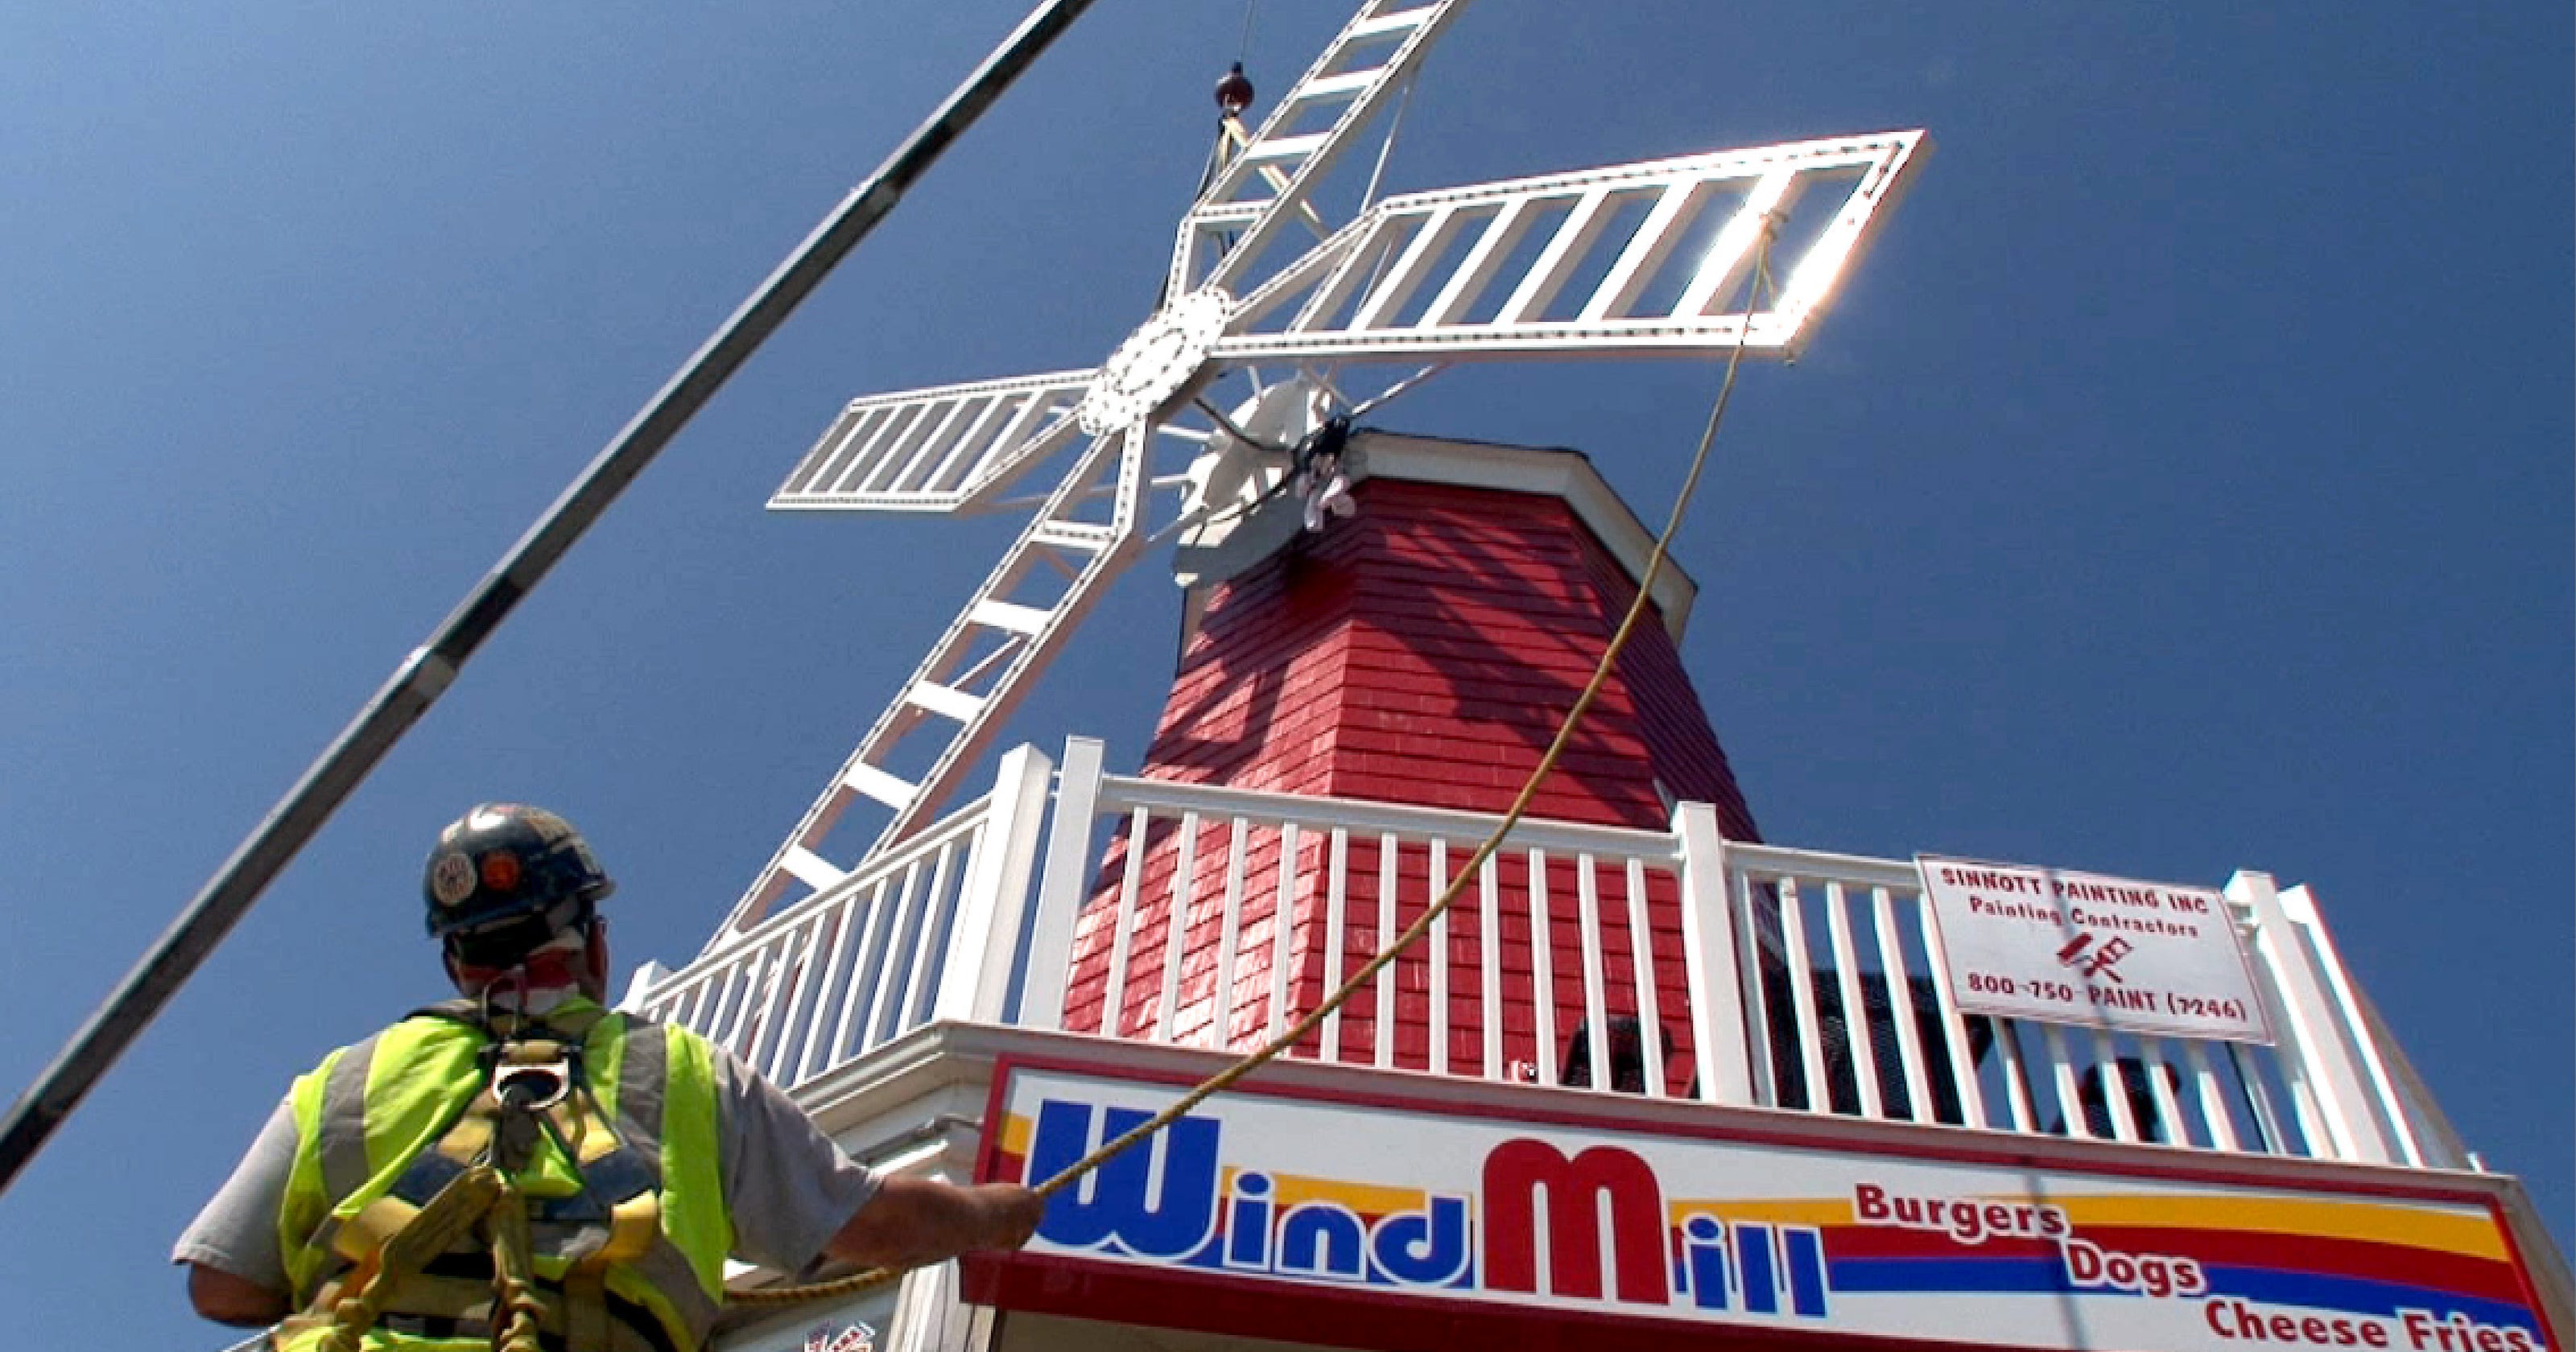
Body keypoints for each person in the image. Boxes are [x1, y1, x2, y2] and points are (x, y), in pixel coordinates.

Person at [174, 802, 1044, 1352]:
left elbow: (221, 1284)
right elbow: (873, 1225)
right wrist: (1000, 1211)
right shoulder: (684, 1073)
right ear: (593, 943)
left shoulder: (341, 1083)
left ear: (456, 965)